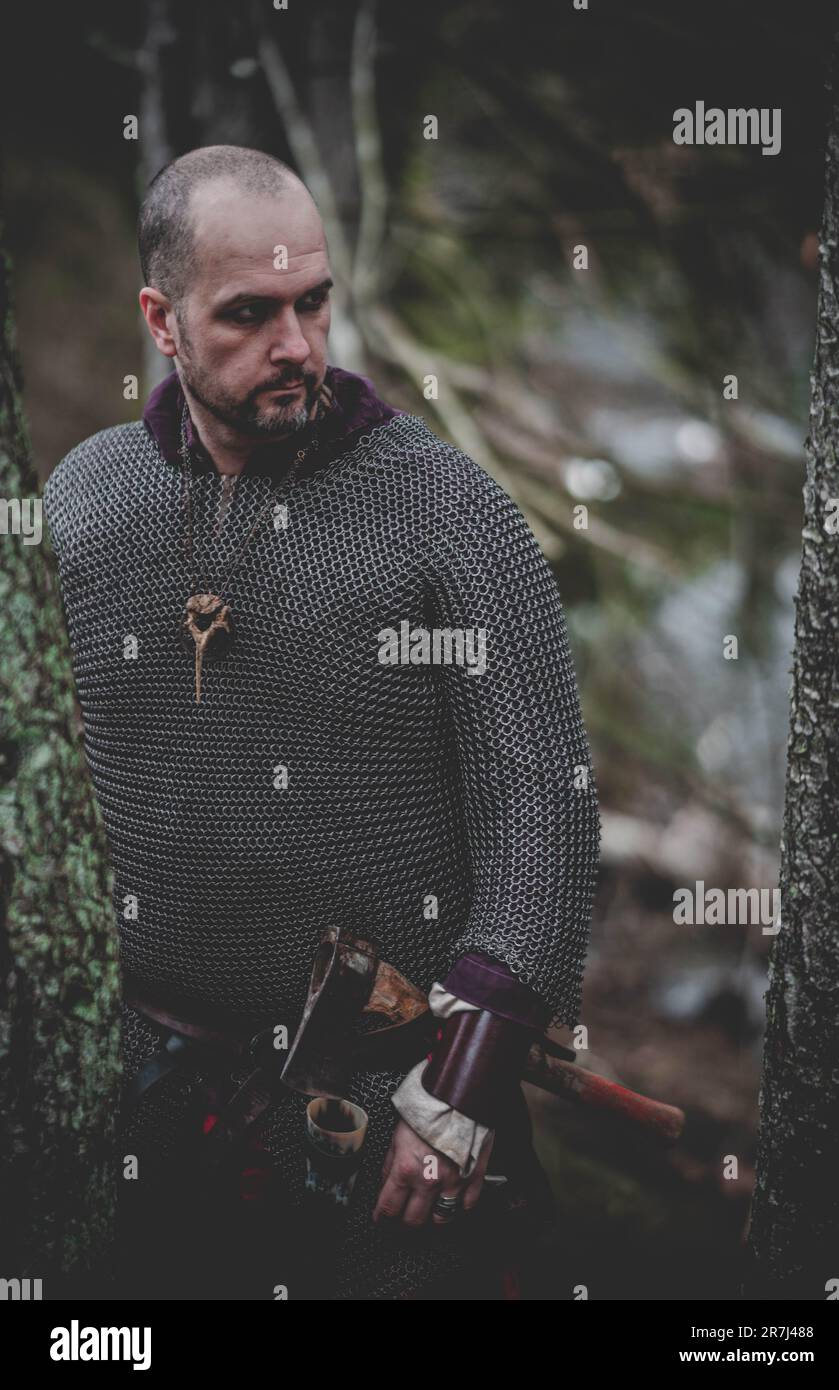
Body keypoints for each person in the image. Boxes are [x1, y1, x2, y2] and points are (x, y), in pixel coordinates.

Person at [42, 144, 601, 1300]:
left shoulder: (451, 516)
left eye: (313, 303)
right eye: (247, 314)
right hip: (142, 1082)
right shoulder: (86, 503)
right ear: (162, 320)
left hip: (382, 1110)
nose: (294, 345)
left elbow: (542, 820)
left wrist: (462, 1090)